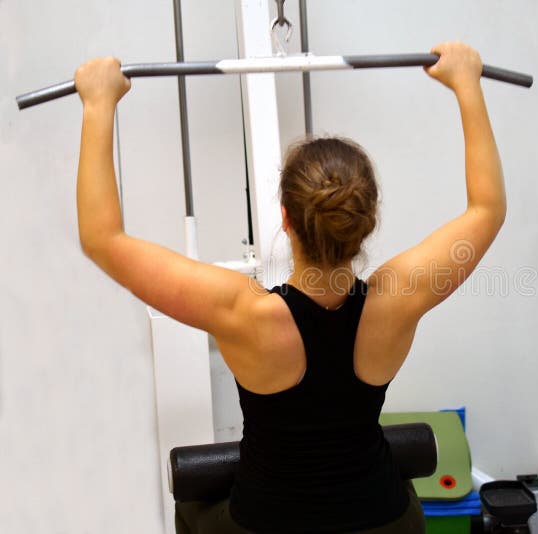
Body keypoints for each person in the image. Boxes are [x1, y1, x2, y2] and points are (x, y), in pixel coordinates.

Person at [74, 41, 506, 533]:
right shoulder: (399, 297)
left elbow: (102, 239)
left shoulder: (241, 312)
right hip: (383, 521)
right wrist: (467, 84)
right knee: (406, 496)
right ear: (368, 218)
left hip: (266, 523)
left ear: (285, 218)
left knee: (193, 510)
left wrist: (98, 104)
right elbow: (486, 209)